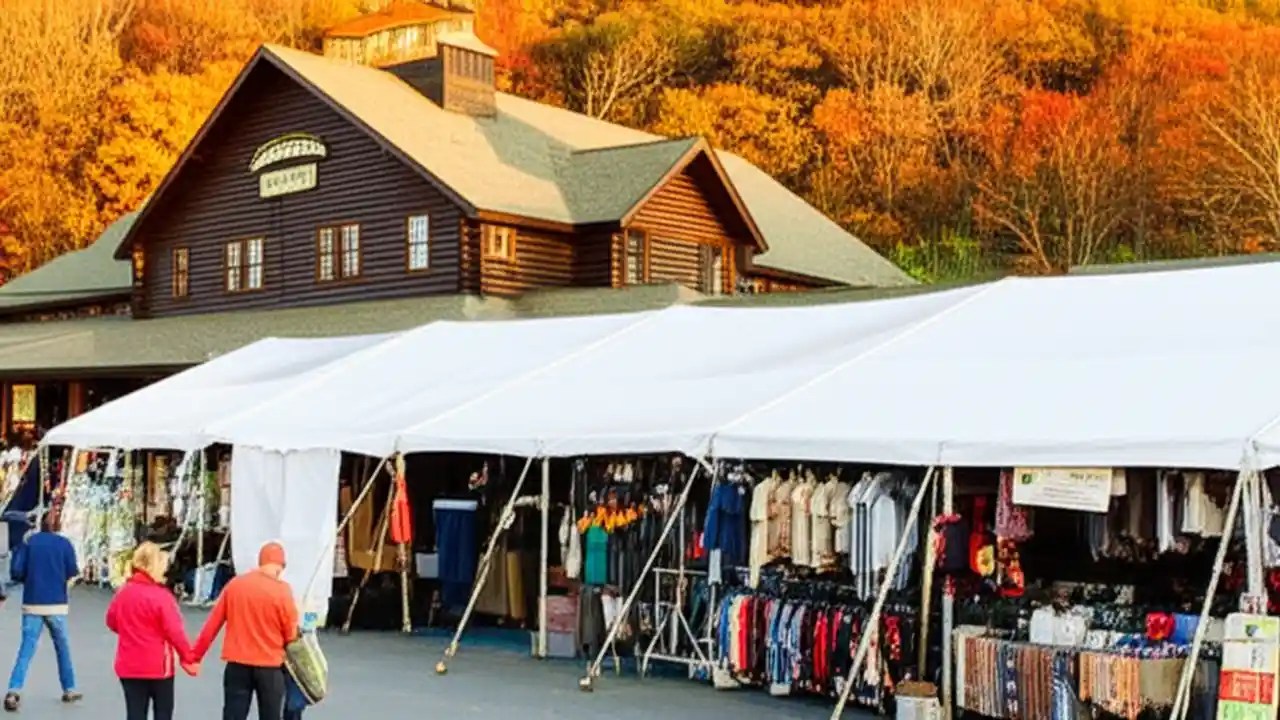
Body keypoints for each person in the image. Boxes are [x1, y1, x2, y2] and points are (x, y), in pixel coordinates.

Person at [190, 541, 298, 720]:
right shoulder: (282, 591)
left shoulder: (235, 585)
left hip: (237, 665)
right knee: (271, 715)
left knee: (234, 714)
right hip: (269, 667)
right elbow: (290, 632)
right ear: (281, 566)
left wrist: (195, 657)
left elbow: (212, 624)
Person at [106, 542, 198, 720]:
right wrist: (189, 657)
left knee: (135, 713)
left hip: (129, 665)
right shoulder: (162, 597)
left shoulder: (123, 593)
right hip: (158, 666)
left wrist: (131, 629)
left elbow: (111, 621)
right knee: (163, 712)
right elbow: (175, 632)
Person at [4, 513, 80, 712]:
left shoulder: (29, 543)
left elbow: (17, 571)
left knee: (26, 648)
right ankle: (69, 687)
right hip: (57, 603)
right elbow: (72, 570)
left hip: (33, 601)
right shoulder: (65, 544)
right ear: (58, 525)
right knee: (62, 646)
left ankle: (14, 689)